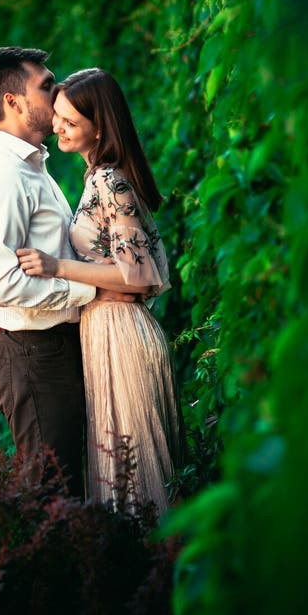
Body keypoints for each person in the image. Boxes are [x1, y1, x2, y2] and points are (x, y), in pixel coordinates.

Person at [16, 68, 184, 515]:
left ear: (100, 127)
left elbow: (141, 275)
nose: (57, 127)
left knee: (138, 483)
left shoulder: (111, 180)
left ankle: (164, 576)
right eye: (57, 117)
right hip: (104, 331)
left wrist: (57, 267)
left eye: (70, 122)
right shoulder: (96, 178)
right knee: (121, 478)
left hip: (123, 336)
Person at [0, 47, 96, 496]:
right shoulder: (3, 177)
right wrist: (86, 291)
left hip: (48, 347)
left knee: (70, 486)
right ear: (13, 102)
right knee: (55, 495)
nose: (57, 92)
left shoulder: (34, 169)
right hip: (28, 351)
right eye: (45, 85)